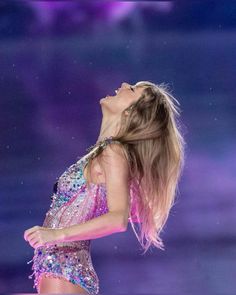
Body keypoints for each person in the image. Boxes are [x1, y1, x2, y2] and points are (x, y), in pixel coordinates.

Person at [24, 80, 185, 294]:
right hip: (61, 274)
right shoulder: (106, 152)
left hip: (64, 273)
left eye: (132, 90)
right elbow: (128, 212)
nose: (124, 84)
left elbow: (118, 219)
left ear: (131, 113)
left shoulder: (114, 152)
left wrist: (56, 235)